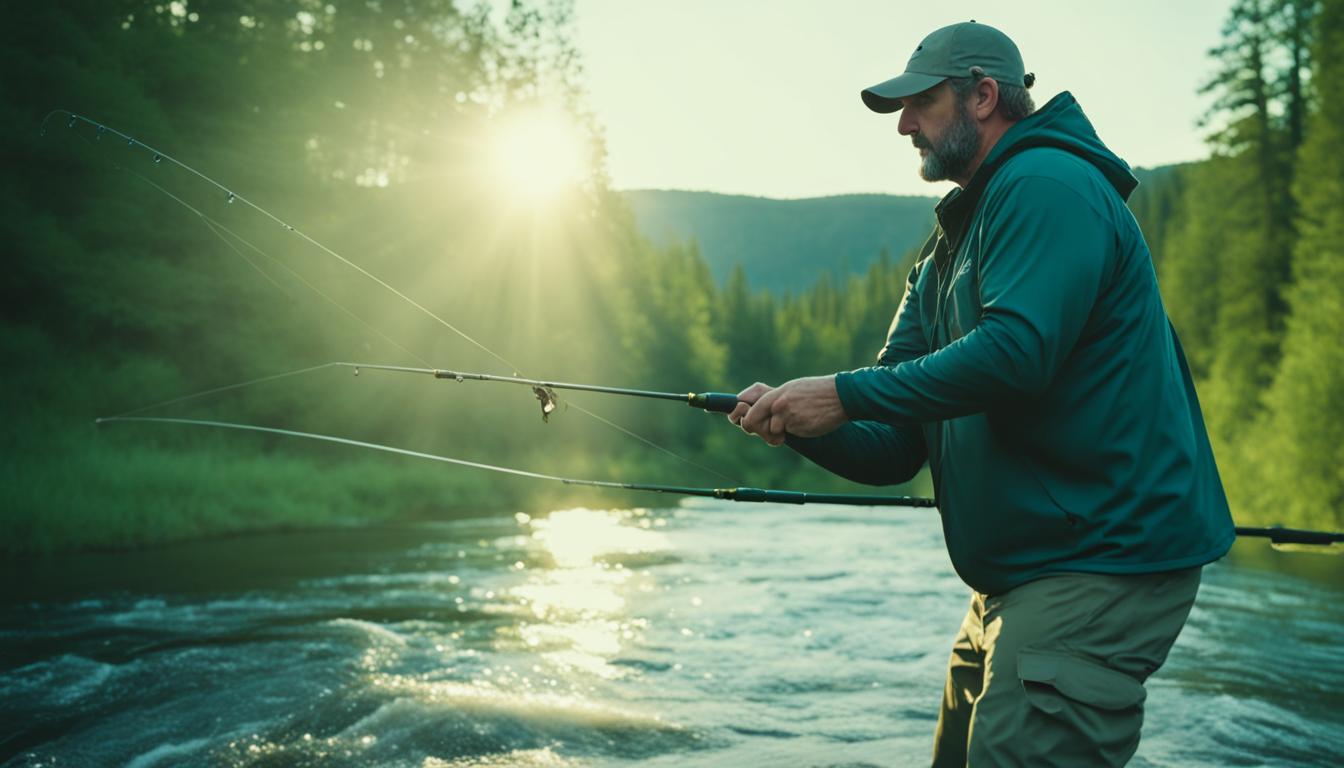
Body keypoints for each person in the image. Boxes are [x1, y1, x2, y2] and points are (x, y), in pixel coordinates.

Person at [728, 20, 1235, 767]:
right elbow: (895, 446)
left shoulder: (1047, 184)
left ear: (985, 96)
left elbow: (1017, 354)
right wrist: (794, 420)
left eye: (921, 104)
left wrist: (840, 393)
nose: (903, 125)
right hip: (1018, 581)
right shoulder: (942, 254)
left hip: (1101, 565)